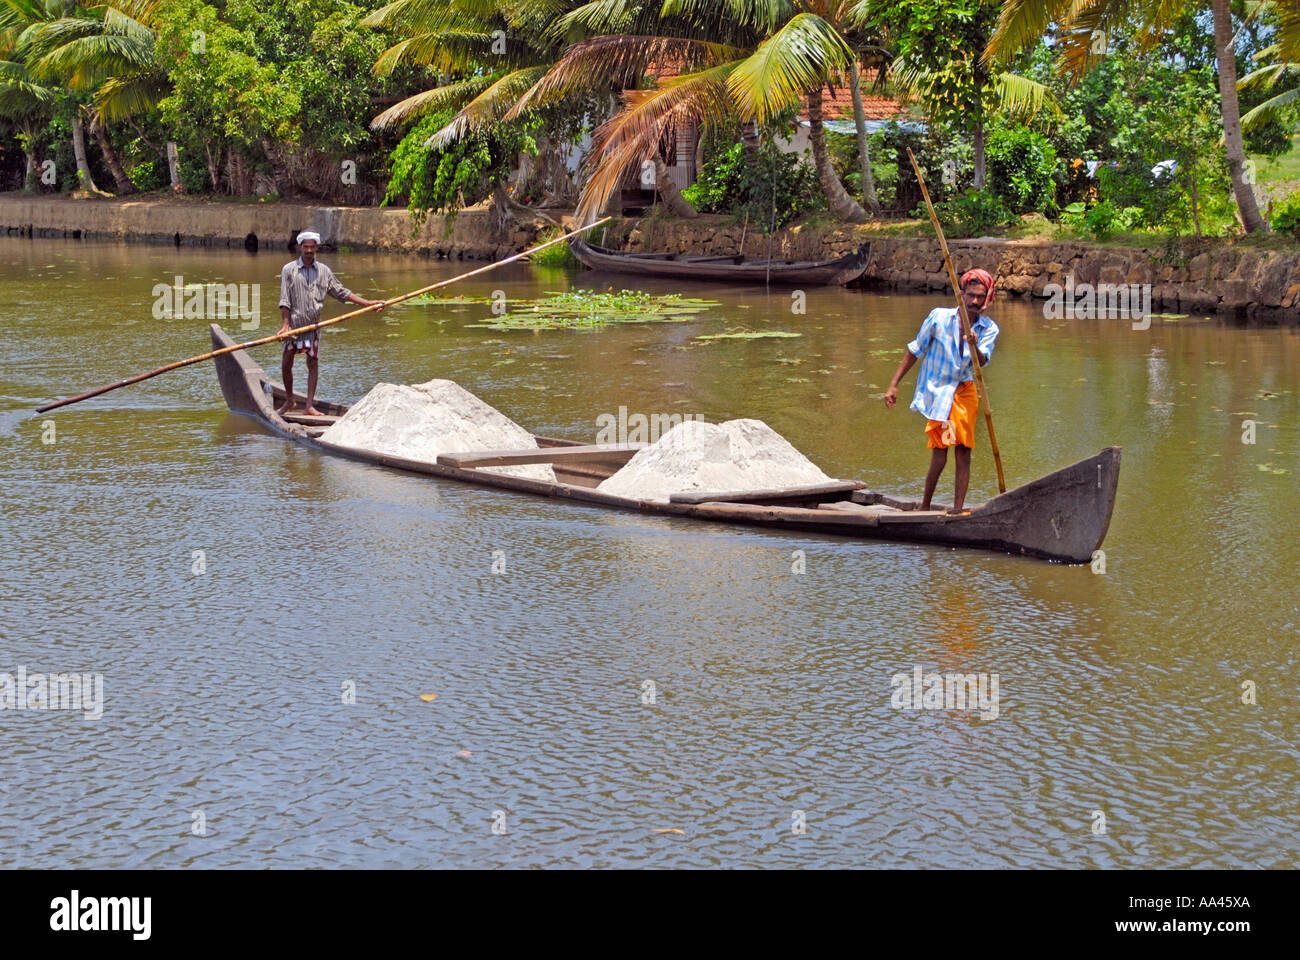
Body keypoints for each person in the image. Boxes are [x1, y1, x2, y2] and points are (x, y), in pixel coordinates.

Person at [883, 269, 999, 513]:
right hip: (940, 394)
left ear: (986, 298)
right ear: (962, 295)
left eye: (980, 297)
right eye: (971, 295)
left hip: (964, 392)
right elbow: (915, 350)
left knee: (964, 451)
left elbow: (983, 361)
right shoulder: (939, 318)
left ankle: (957, 510)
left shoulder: (988, 328)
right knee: (940, 452)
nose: (974, 301)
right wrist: (894, 384)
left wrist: (974, 345)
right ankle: (925, 507)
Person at [277, 231, 385, 416]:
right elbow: (285, 300)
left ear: (316, 248)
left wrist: (367, 303)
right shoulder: (289, 270)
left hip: (314, 327)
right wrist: (285, 326)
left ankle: (309, 405)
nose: (309, 250)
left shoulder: (324, 272)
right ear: (300, 248)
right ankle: (289, 400)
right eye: (306, 247)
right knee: (287, 363)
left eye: (312, 247)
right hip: (295, 326)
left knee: (313, 363)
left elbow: (341, 292)